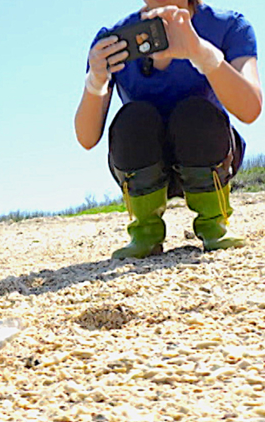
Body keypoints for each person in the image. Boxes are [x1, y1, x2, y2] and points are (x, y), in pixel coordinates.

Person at [75, 0, 261, 259]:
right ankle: (145, 232)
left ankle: (213, 224)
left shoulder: (228, 26)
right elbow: (86, 137)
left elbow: (250, 109)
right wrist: (95, 82)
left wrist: (202, 54)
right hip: (143, 165)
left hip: (210, 156)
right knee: (134, 117)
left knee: (195, 112)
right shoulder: (112, 40)